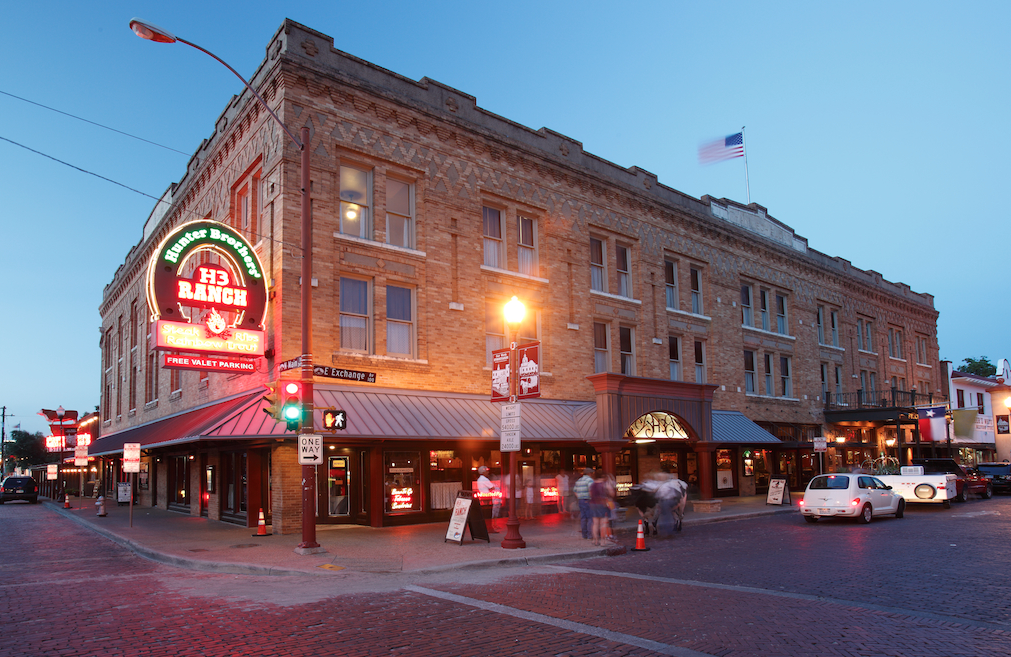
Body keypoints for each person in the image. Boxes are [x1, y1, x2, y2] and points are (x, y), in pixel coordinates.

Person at [476, 466, 500, 532]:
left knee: (484, 513)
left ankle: (485, 528)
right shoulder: (484, 479)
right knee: (488, 513)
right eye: (487, 471)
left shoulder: (479, 479)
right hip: (487, 497)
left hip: (482, 497)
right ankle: (489, 528)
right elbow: (492, 487)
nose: (488, 472)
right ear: (483, 472)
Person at [574, 467, 594, 539]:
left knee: (583, 518)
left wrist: (579, 496)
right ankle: (589, 534)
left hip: (581, 500)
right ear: (589, 473)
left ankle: (584, 534)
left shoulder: (578, 481)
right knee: (589, 518)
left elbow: (575, 491)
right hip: (588, 500)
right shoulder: (589, 480)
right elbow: (591, 490)